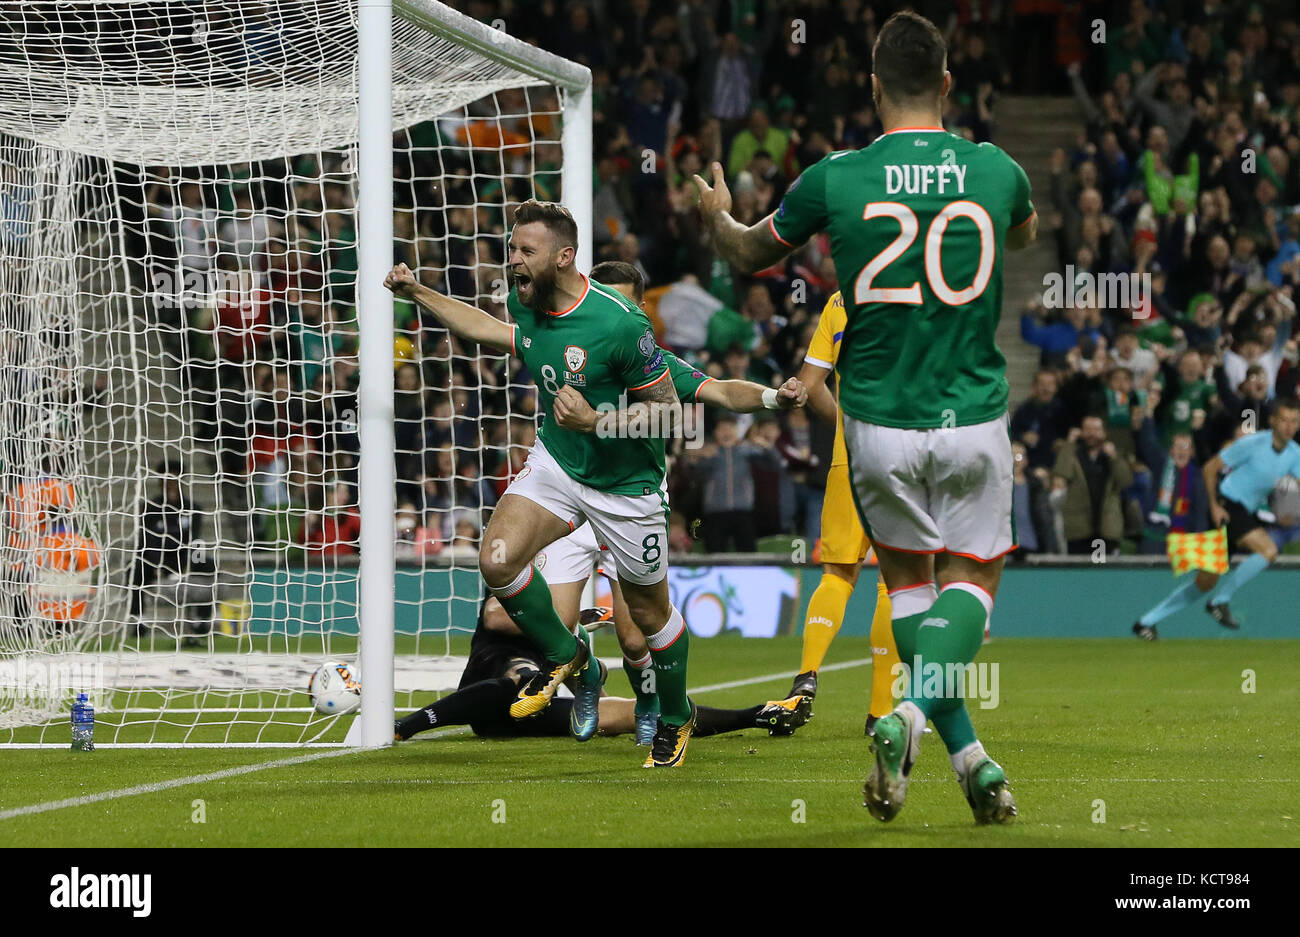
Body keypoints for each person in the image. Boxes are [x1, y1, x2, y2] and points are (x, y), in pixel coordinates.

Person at [695, 10, 1036, 823]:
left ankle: (972, 763)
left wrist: (714, 212)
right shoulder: (996, 170)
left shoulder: (835, 179)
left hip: (875, 427)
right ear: (950, 84)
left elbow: (745, 253)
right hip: (974, 418)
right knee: (974, 584)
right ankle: (907, 716)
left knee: (912, 593)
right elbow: (1021, 239)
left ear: (874, 86)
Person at [387, 200, 691, 767]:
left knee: (648, 619)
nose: (513, 260)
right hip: (559, 462)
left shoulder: (621, 323)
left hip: (626, 486)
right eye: (511, 249)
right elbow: (486, 328)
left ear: (564, 256)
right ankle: (577, 661)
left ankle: (675, 716)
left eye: (526, 251)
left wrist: (597, 420)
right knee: (498, 560)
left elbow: (670, 412)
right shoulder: (524, 303)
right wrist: (419, 293)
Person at [393, 594, 811, 744]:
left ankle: (757, 714)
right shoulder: (512, 579)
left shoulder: (566, 605)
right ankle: (410, 724)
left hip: (532, 707)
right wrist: (569, 615)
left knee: (635, 713)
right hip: (492, 679)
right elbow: (495, 616)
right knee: (520, 676)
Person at [783, 291, 900, 733]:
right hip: (905, 458)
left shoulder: (840, 300)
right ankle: (880, 713)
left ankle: (807, 673)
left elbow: (809, 384)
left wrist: (842, 430)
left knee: (837, 574)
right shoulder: (928, 293)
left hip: (849, 457)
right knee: (894, 584)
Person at [1132, 399, 1300, 639]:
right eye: (1284, 420)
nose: (1289, 426)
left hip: (1245, 510)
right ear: (1272, 421)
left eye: (1294, 421)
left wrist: (1290, 514)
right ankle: (1220, 601)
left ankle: (1145, 622)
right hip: (1226, 504)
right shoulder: (1252, 443)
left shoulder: (1295, 454)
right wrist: (1213, 505)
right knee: (1268, 550)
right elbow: (1210, 468)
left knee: (1206, 581)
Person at [1051, 415, 1134, 555]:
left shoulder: (1113, 456)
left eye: (1096, 429)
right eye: (1088, 429)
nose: (1092, 434)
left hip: (1105, 527)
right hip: (1079, 529)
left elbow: (1125, 481)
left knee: (1101, 573)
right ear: (1081, 432)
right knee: (1078, 574)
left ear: (1104, 432)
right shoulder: (1073, 454)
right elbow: (1061, 473)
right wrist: (1069, 443)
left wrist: (1114, 457)